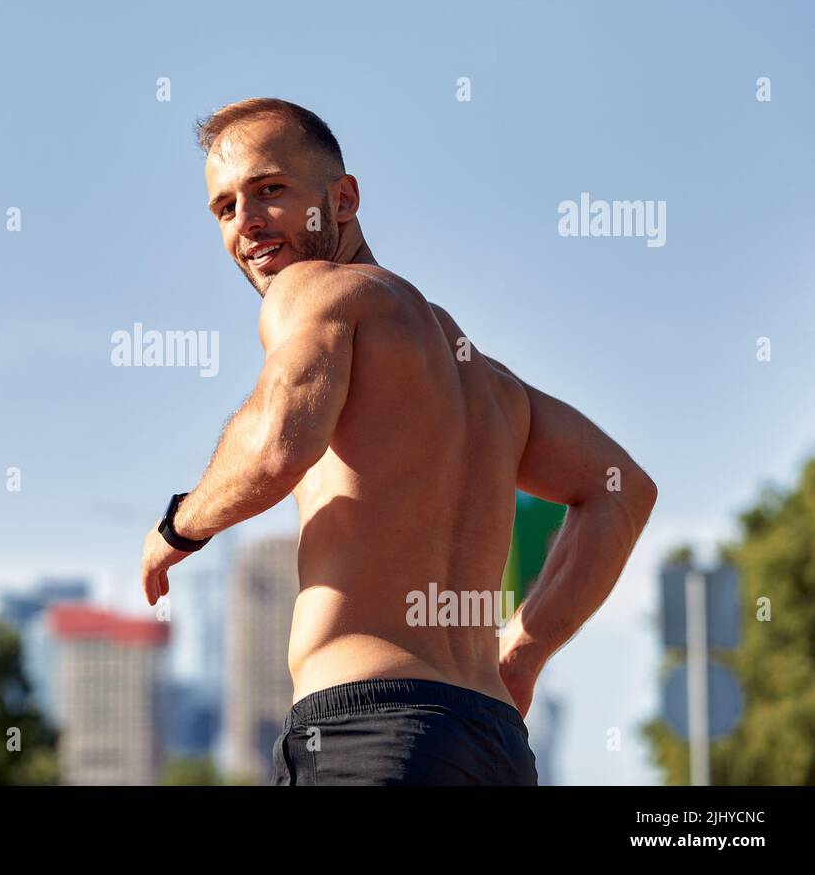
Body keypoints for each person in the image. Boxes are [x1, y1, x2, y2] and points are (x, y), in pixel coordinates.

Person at [140, 98, 658, 785]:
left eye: (269, 191)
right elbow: (619, 489)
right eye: (225, 208)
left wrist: (177, 526)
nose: (248, 223)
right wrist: (522, 659)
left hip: (366, 737)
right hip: (493, 747)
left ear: (343, 199)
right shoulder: (487, 383)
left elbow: (277, 443)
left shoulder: (317, 292)